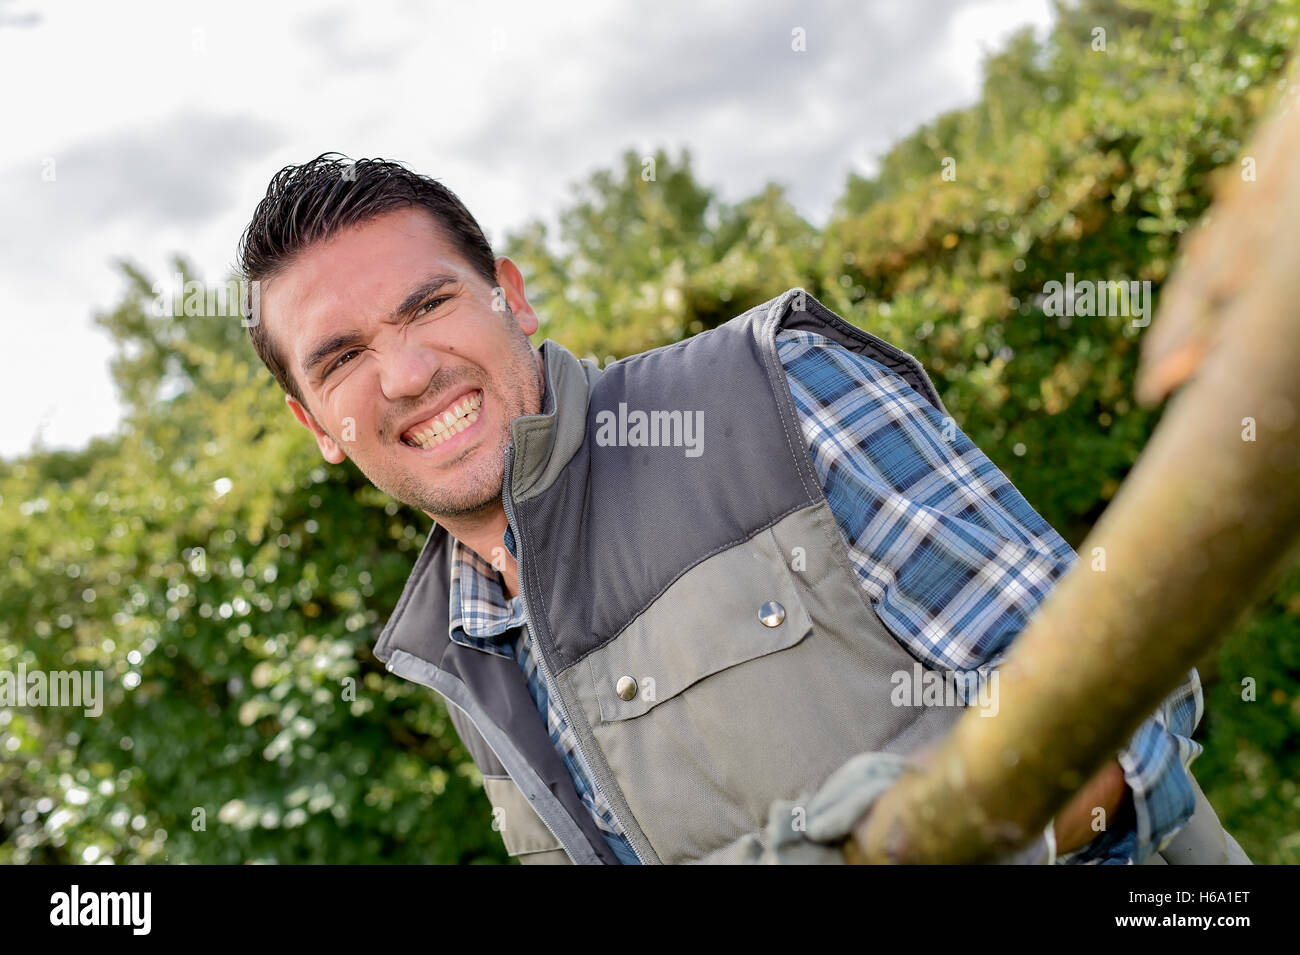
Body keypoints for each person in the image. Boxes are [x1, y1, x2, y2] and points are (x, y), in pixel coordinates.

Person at [234, 152, 1235, 865]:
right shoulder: (460, 647)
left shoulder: (772, 394)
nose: (404, 373)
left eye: (428, 305)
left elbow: (1121, 710)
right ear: (313, 420)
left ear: (512, 296)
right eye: (342, 358)